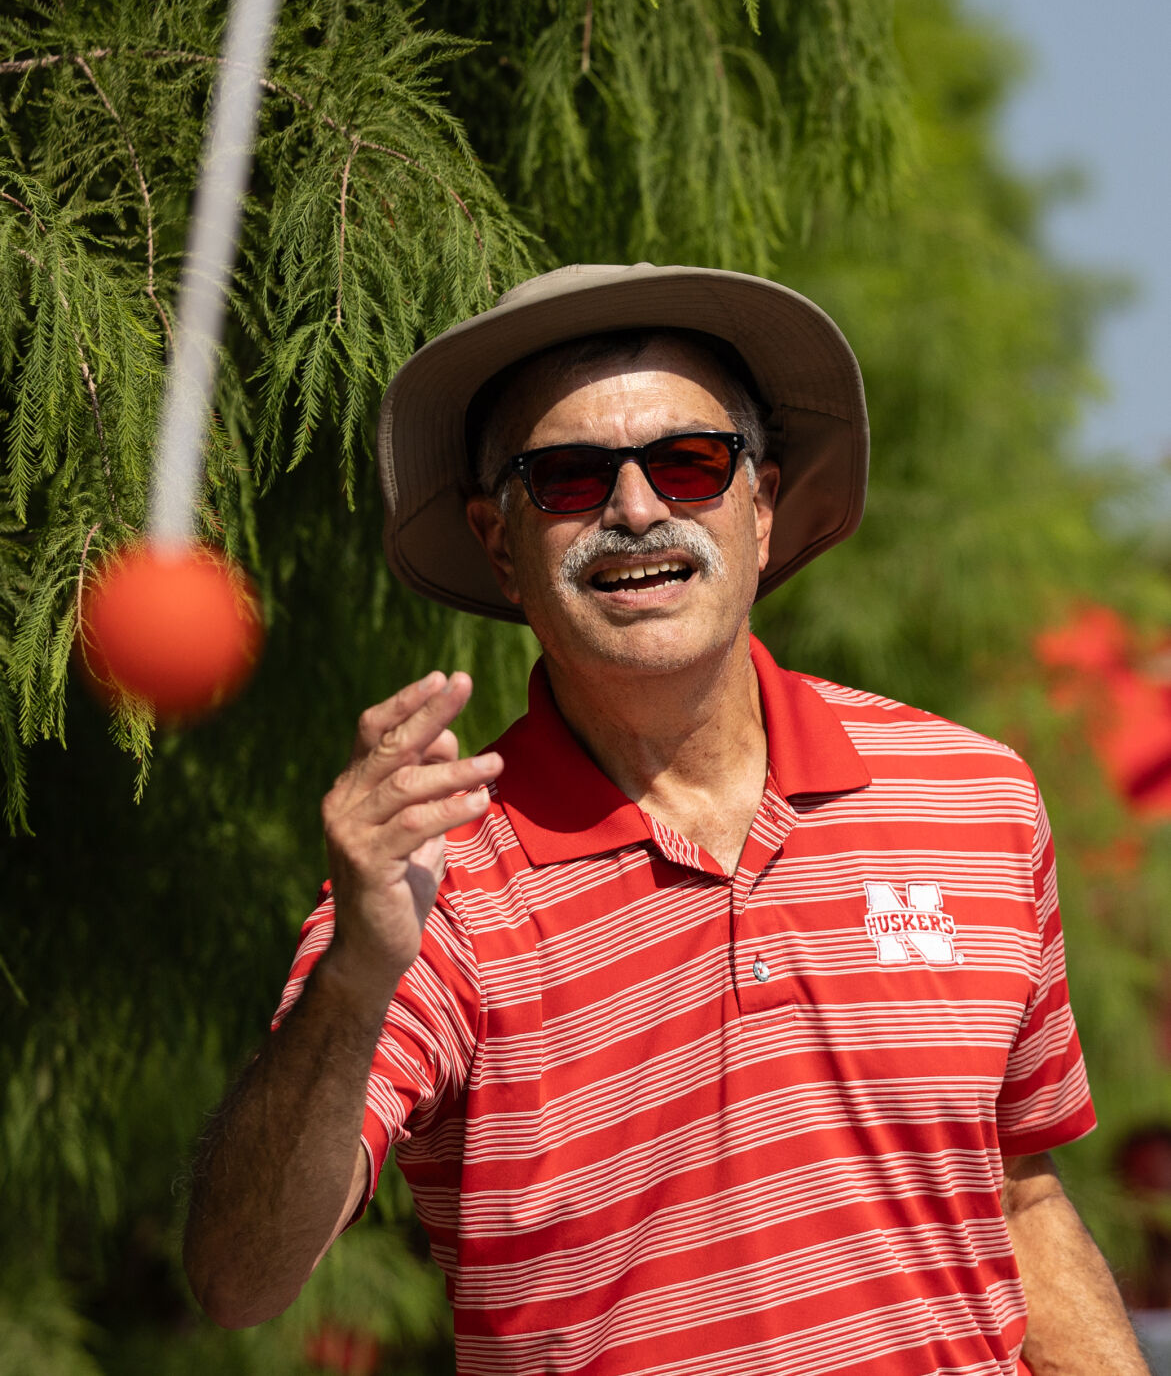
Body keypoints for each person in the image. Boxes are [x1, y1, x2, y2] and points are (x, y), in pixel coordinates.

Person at [184, 262, 1148, 1375]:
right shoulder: (430, 883)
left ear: (763, 502)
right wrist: (357, 973)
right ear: (500, 541)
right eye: (568, 478)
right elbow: (239, 1276)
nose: (635, 508)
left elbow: (1016, 1193)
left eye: (688, 462)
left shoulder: (971, 794)